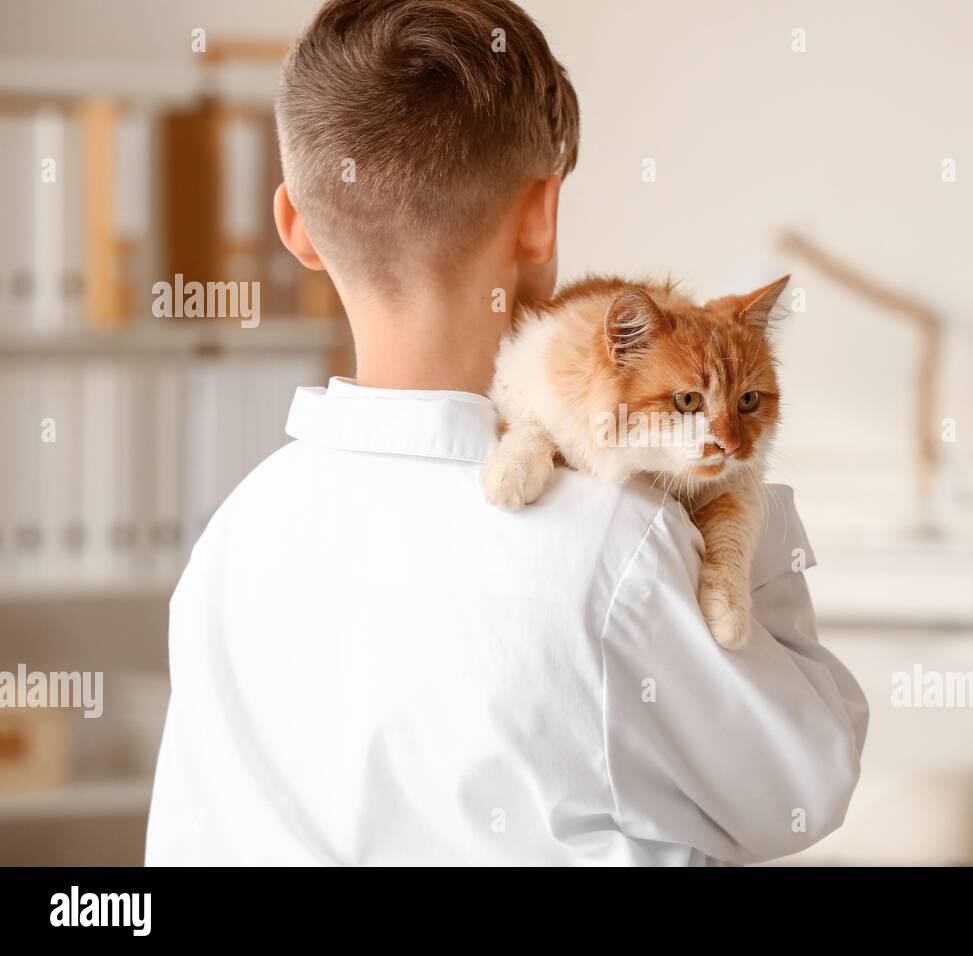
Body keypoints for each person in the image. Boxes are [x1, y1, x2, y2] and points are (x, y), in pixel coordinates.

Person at [145, 0, 868, 866]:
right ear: (540, 216)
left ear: (295, 225)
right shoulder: (615, 542)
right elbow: (807, 780)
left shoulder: (229, 543)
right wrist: (727, 499)